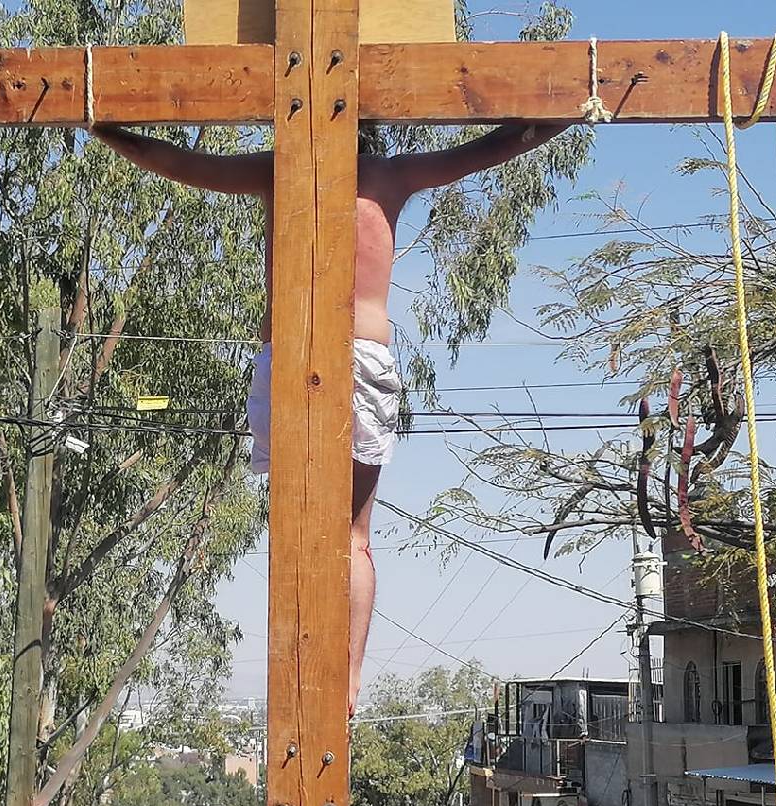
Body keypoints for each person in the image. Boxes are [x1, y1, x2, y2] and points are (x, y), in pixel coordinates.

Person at [91, 120, 566, 714]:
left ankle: (322, 673)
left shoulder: (277, 170)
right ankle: (345, 678)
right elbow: (495, 145)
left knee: (303, 532)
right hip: (348, 353)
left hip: (289, 356)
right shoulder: (390, 175)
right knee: (351, 538)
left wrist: (98, 123)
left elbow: (174, 160)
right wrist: (568, 111)